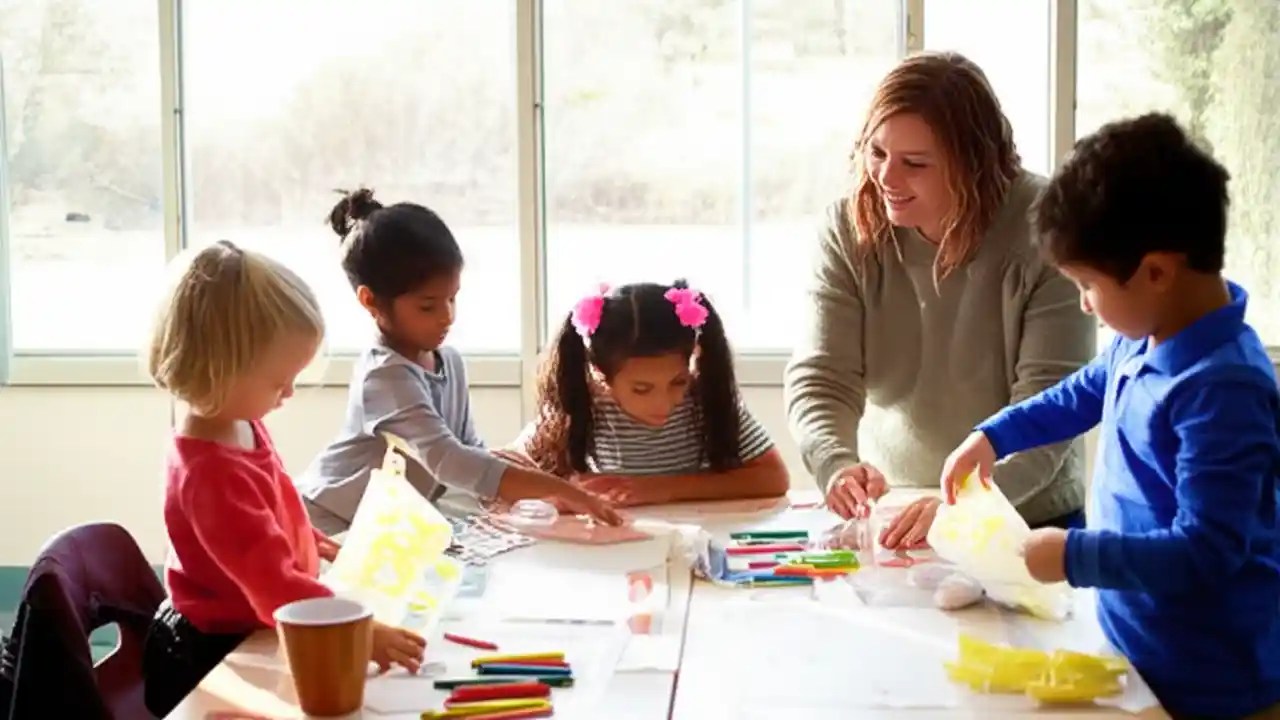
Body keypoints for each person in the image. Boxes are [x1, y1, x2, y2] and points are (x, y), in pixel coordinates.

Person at [941, 113, 1280, 720]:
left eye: (1088, 285)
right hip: (1140, 650)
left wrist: (1076, 556)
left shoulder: (1224, 389)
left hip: (1214, 682)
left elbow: (1208, 550)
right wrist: (994, 435)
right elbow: (1080, 394)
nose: (1082, 302)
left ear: (1155, 271)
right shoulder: (1147, 331)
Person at [783, 51, 1095, 548]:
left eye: (915, 164)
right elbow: (822, 376)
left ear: (973, 165)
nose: (886, 178)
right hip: (899, 515)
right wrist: (835, 464)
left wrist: (966, 505)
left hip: (1026, 518)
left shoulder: (1048, 228)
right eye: (877, 152)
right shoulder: (847, 230)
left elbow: (1048, 410)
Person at [141, 241, 426, 716]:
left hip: (252, 625)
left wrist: (315, 540)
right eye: (278, 381)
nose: (289, 392)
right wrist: (360, 633)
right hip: (210, 653)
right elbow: (272, 584)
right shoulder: (211, 473)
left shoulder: (238, 421)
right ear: (219, 370)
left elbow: (269, 510)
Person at [298, 189, 621, 533]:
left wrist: (537, 489)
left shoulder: (448, 361)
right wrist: (556, 488)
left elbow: (471, 452)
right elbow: (450, 461)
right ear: (370, 301)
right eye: (428, 306)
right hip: (330, 524)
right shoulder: (384, 376)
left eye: (453, 299)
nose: (447, 317)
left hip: (384, 529)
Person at [495, 281, 788, 506]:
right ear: (600, 373)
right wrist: (568, 491)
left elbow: (774, 478)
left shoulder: (707, 399)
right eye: (641, 389)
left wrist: (656, 489)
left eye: (678, 382)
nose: (664, 403)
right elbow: (507, 468)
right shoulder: (584, 403)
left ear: (693, 358)